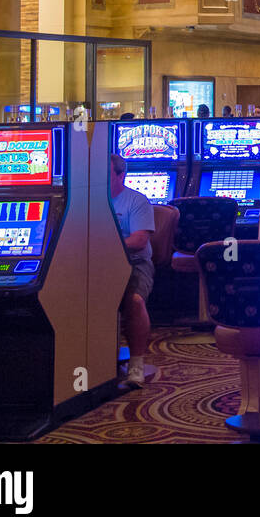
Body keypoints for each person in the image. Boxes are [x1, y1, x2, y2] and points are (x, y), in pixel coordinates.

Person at [109, 153, 156, 387]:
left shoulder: (136, 201)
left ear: (121, 175)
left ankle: (136, 364)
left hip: (134, 264)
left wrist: (105, 244)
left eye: (105, 174)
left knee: (134, 300)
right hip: (94, 263)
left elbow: (138, 241)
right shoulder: (88, 200)